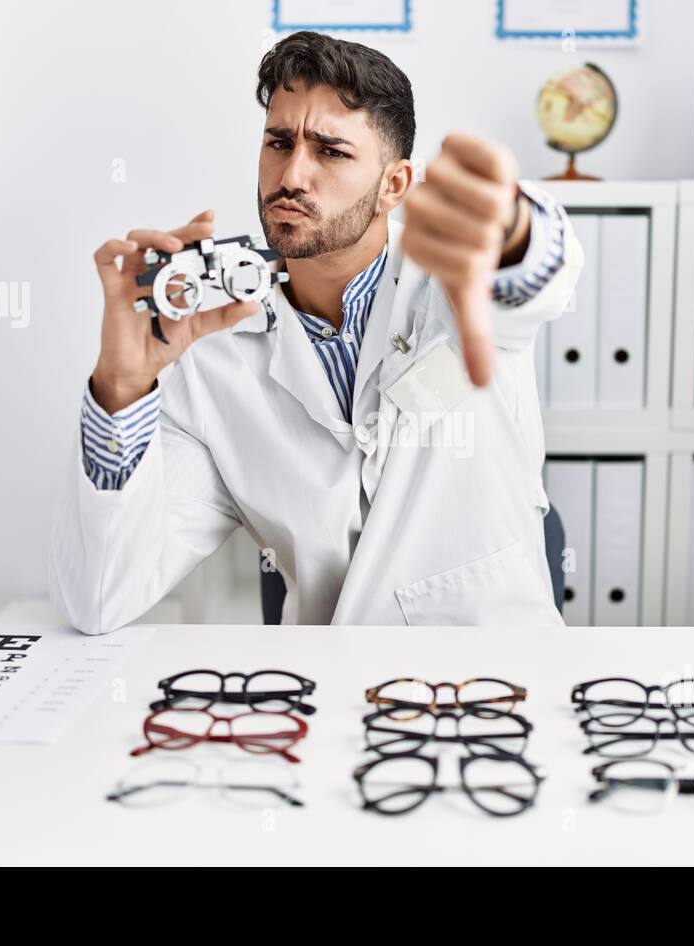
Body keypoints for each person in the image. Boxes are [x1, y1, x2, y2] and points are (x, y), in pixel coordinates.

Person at [49, 31, 583, 633]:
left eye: (330, 151)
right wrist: (121, 387)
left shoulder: (457, 285)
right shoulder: (213, 357)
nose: (292, 175)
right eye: (280, 142)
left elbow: (541, 277)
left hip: (497, 685)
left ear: (395, 185)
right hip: (330, 696)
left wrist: (508, 227)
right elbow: (99, 599)